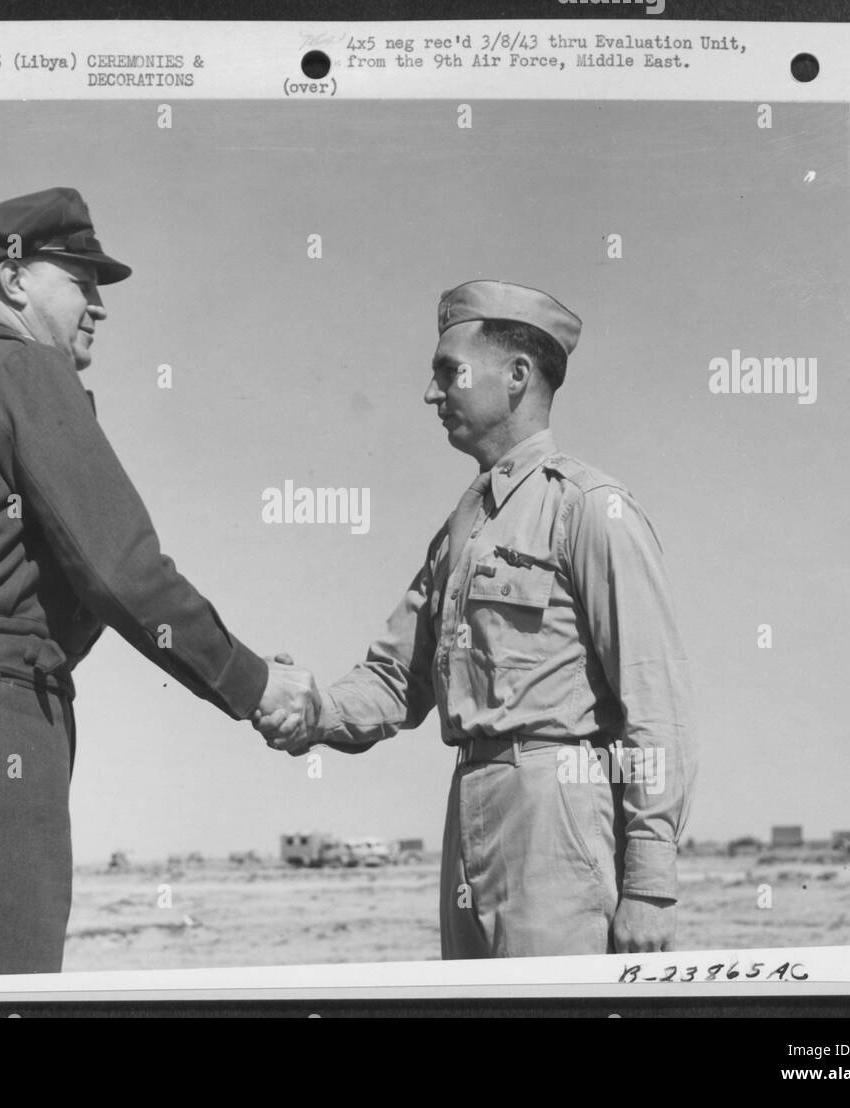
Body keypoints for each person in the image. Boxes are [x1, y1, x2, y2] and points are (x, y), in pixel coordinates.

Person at [0, 186, 315, 978]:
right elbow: (121, 568)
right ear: (17, 278)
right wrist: (257, 684)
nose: (99, 305)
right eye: (82, 279)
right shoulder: (26, 369)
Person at [255, 280, 695, 958]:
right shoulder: (461, 530)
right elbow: (395, 679)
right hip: (469, 807)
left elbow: (654, 704)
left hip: (558, 810)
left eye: (446, 372)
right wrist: (314, 712)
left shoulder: (589, 509)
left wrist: (650, 884)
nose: (432, 394)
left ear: (517, 376)